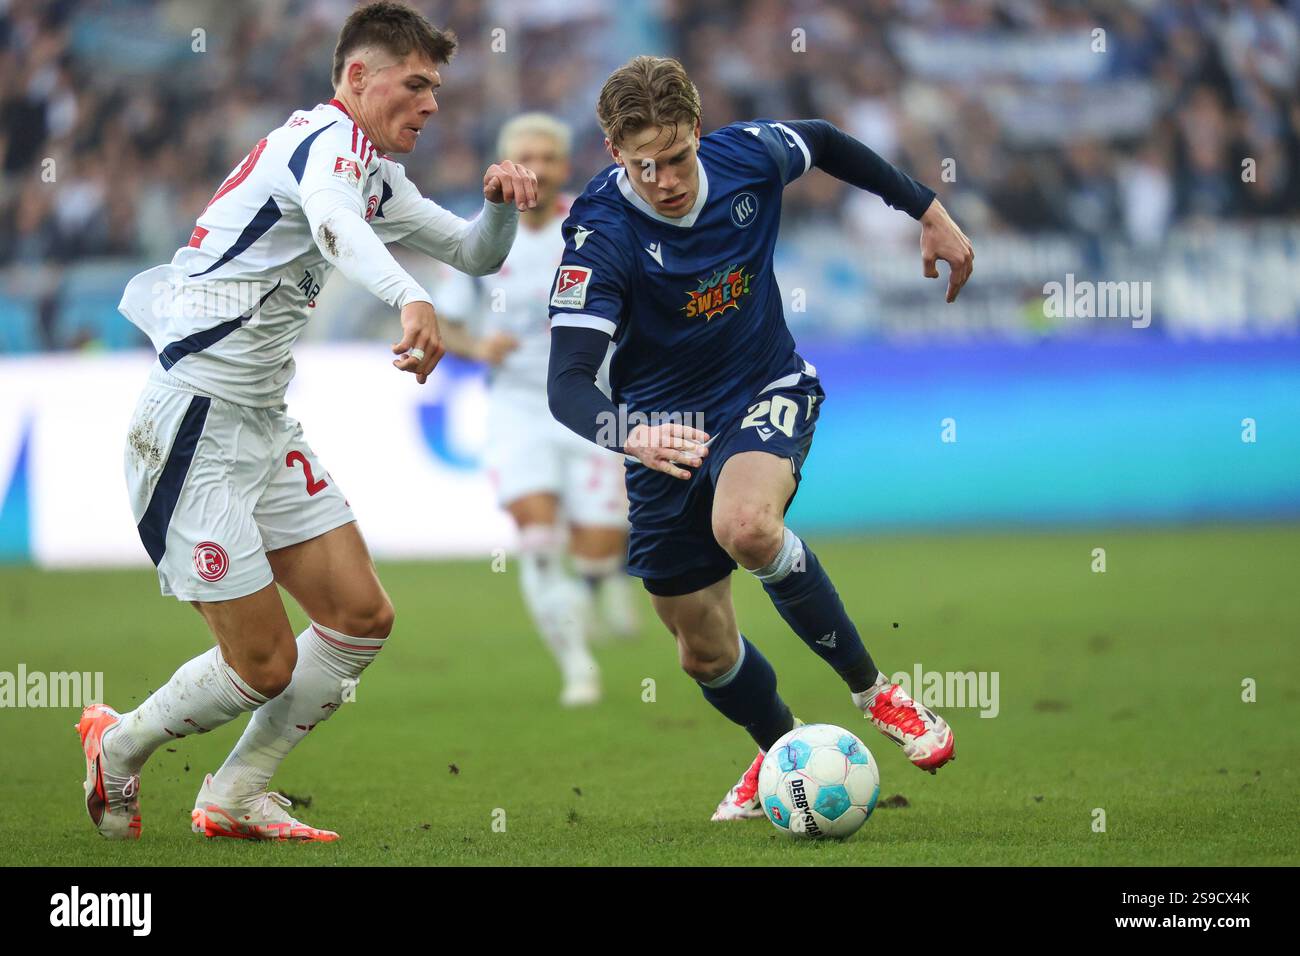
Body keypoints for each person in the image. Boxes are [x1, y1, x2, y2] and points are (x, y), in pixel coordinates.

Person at [77, 0, 537, 842]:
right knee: (264, 664)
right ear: (358, 78)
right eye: (416, 84)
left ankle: (233, 792)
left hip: (260, 421)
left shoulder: (370, 169)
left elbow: (476, 251)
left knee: (361, 617)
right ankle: (119, 743)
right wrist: (411, 297)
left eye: (437, 88)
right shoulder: (321, 145)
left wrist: (502, 204)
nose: (432, 104)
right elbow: (333, 226)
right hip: (192, 426)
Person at [546, 56, 973, 821]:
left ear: (698, 134)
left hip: (763, 387)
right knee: (700, 650)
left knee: (745, 526)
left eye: (677, 158)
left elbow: (826, 140)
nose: (666, 179)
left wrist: (926, 209)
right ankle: (784, 749)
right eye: (644, 166)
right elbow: (568, 384)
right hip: (661, 433)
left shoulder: (747, 157)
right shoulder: (599, 235)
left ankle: (878, 694)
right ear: (615, 154)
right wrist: (629, 435)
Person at [434, 113, 637, 707]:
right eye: (527, 157)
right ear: (503, 166)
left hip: (591, 401)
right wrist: (476, 346)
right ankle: (577, 666)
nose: (539, 169)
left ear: (564, 166)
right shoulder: (476, 238)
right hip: (517, 405)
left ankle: (604, 582)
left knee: (599, 545)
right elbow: (445, 322)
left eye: (549, 157)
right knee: (539, 537)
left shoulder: (595, 224)